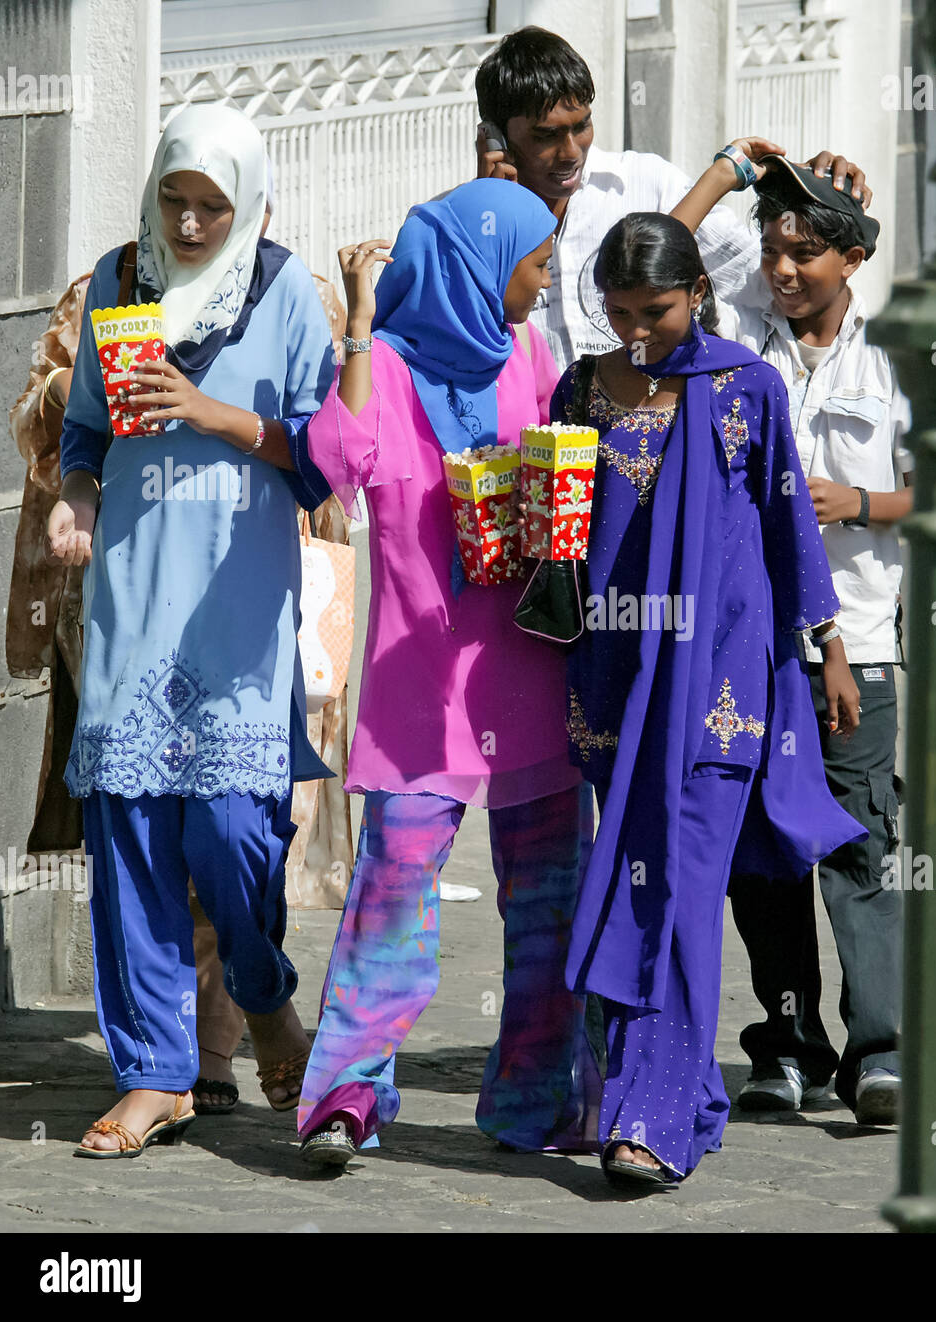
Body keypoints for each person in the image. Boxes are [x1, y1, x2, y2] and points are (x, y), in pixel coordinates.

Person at [9, 185, 355, 1121]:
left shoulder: (288, 294)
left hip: (240, 606)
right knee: (132, 841)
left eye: (213, 204)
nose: (191, 223)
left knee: (236, 833)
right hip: (133, 597)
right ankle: (154, 1076)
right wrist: (77, 489)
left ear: (255, 206)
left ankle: (265, 996)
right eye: (176, 199)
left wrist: (209, 412)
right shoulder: (117, 284)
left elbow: (327, 458)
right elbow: (81, 428)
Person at [552, 212, 865, 1186]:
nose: (640, 331)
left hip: (724, 678)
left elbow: (786, 524)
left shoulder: (745, 386)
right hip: (616, 674)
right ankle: (682, 1092)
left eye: (659, 309)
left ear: (697, 292)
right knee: (630, 877)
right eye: (620, 313)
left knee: (681, 892)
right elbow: (565, 528)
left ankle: (649, 1116)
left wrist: (829, 645)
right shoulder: (583, 387)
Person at [294, 178, 598, 1168]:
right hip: (420, 684)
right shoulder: (379, 363)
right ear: (480, 261)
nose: (546, 274)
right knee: (391, 895)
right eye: (534, 257)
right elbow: (334, 462)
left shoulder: (533, 355)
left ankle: (532, 1101)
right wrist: (359, 325)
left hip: (528, 671)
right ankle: (344, 1097)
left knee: (547, 898)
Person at [673, 149, 913, 1123]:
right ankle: (788, 1044)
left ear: (851, 258)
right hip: (742, 647)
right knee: (762, 855)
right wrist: (731, 169)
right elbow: (655, 255)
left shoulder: (895, 359)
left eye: (805, 252)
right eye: (773, 250)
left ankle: (880, 1049)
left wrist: (857, 499)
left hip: (857, 637)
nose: (782, 269)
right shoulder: (736, 334)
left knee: (858, 847)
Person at [472, 24, 870, 371]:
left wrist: (814, 198)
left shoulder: (646, 183)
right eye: (546, 135)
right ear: (496, 136)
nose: (572, 151)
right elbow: (463, 337)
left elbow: (767, 284)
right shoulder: (464, 223)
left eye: (582, 126)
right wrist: (489, 213)